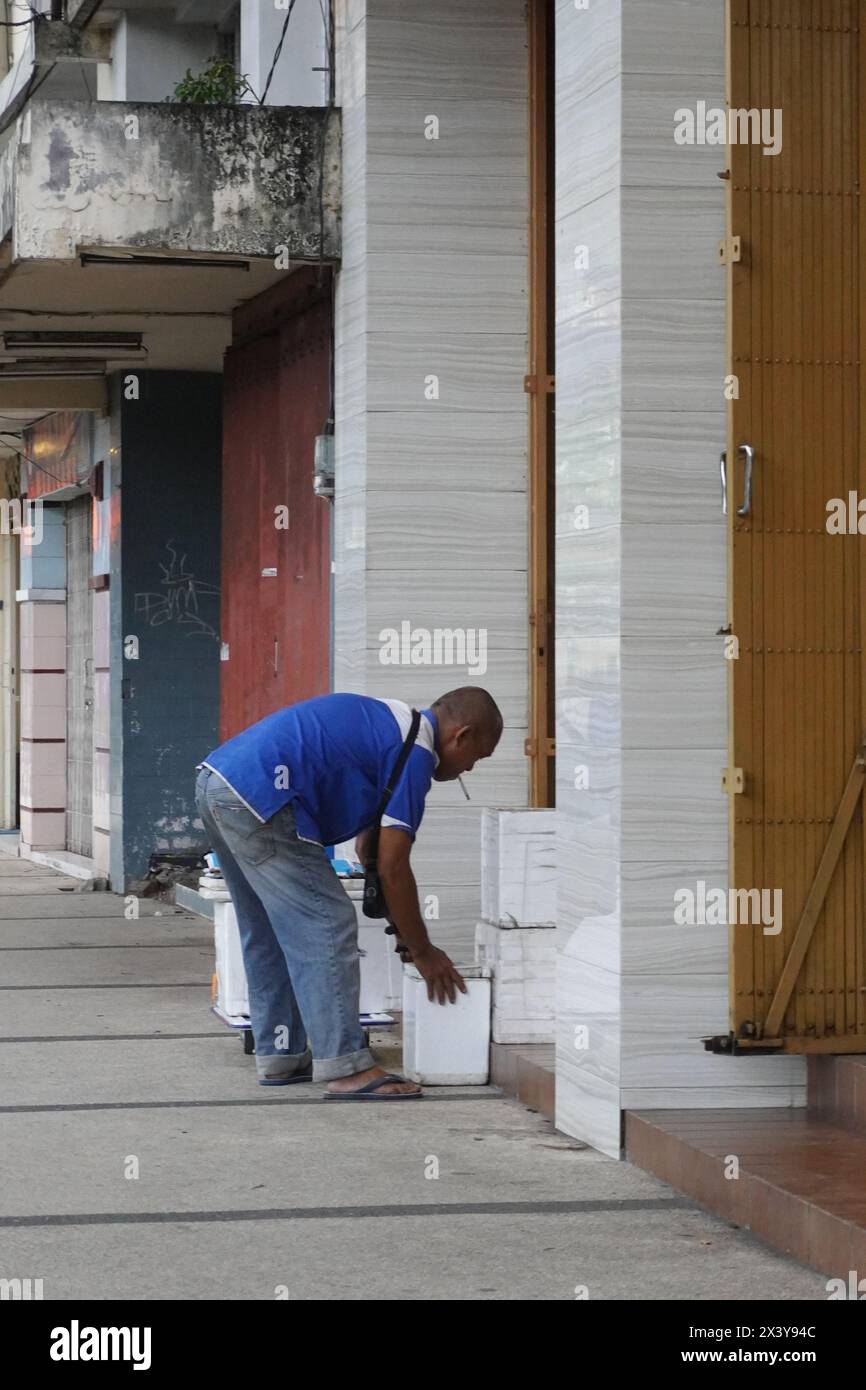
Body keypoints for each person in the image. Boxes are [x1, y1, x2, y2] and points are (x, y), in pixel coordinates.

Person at [195, 687, 502, 1101]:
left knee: (266, 927)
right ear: (461, 736)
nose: (469, 769)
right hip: (263, 796)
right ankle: (346, 1066)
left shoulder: (394, 726)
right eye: (476, 758)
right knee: (327, 922)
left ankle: (281, 1054)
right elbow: (394, 867)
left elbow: (368, 851)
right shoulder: (414, 755)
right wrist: (425, 950)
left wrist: (401, 927)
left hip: (220, 781)